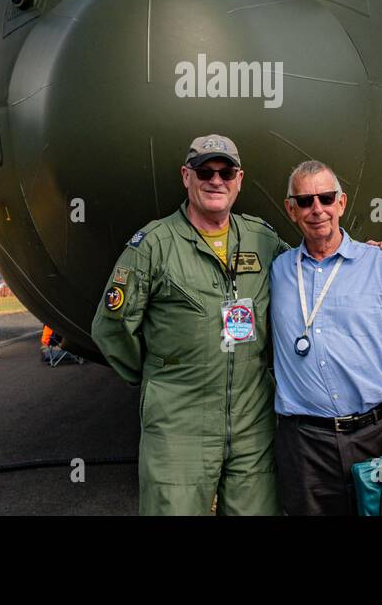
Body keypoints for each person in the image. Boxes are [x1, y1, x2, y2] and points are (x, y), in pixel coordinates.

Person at [91, 135, 287, 515]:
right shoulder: (154, 244)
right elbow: (112, 328)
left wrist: (368, 255)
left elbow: (307, 275)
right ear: (186, 176)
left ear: (239, 179)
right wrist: (161, 377)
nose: (216, 180)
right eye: (205, 171)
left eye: (225, 171)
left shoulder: (262, 239)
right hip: (178, 428)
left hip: (252, 425)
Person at [271, 160, 382, 515]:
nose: (317, 210)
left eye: (326, 198)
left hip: (375, 436)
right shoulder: (277, 271)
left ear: (341, 203)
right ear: (291, 209)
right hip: (304, 446)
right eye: (306, 201)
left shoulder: (381, 265)